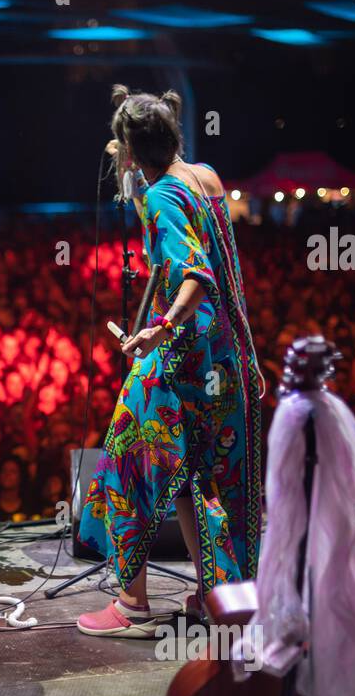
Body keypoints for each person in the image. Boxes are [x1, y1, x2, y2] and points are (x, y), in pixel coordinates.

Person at [76, 86, 263, 638]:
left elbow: (194, 275)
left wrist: (158, 330)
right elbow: (173, 214)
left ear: (130, 150)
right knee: (201, 476)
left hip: (181, 355)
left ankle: (131, 602)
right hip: (226, 357)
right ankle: (216, 597)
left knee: (127, 458)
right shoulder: (203, 176)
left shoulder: (160, 198)